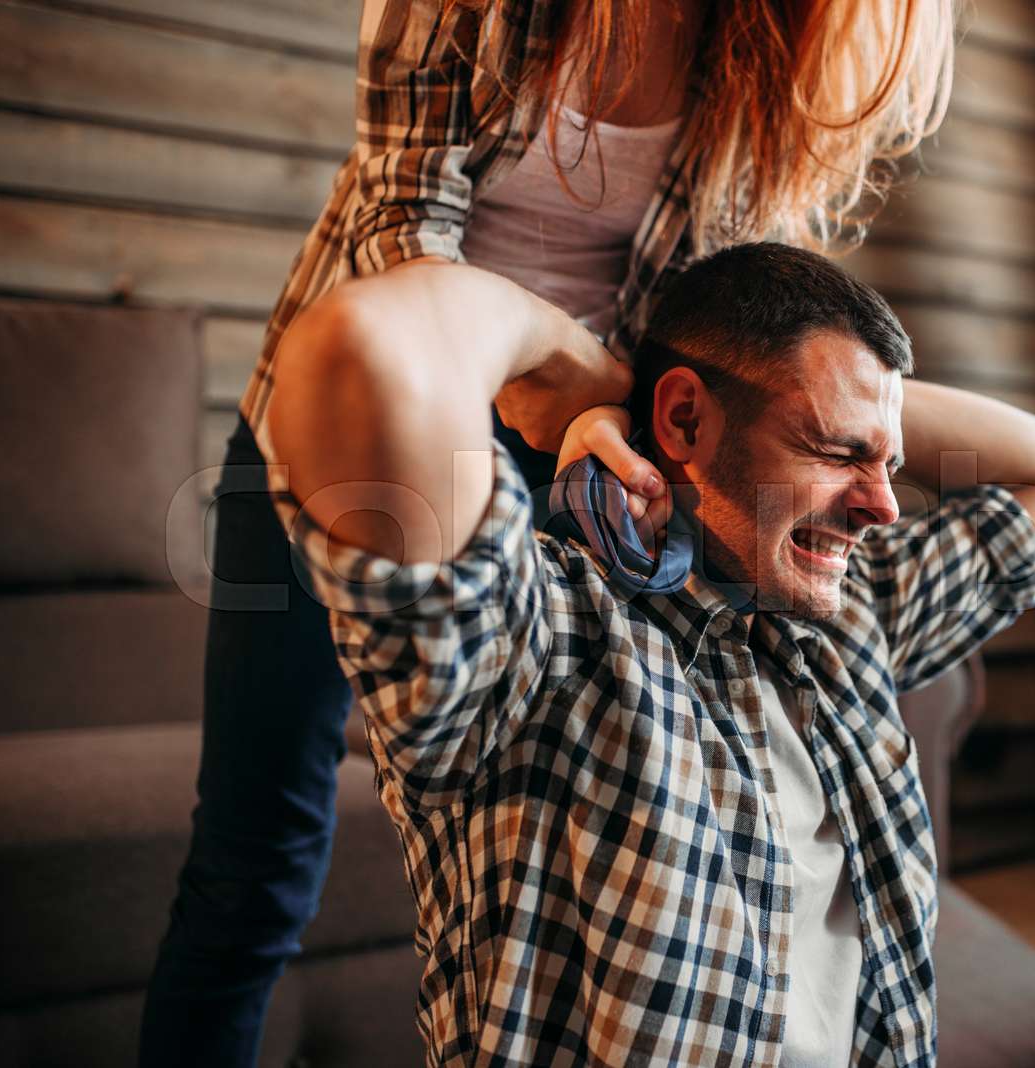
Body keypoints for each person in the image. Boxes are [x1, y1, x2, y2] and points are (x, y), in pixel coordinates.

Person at [142, 1, 962, 1063]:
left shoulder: (769, 55)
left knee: (551, 813)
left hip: (600, 437)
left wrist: (827, 424)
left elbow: (710, 318)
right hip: (390, 405)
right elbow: (402, 231)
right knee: (255, 854)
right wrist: (552, 358)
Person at [261, 242, 1035, 1066]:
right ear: (684, 420)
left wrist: (842, 401)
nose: (884, 506)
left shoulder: (851, 620)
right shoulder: (547, 638)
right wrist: (567, 362)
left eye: (887, 463)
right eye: (838, 451)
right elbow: (355, 354)